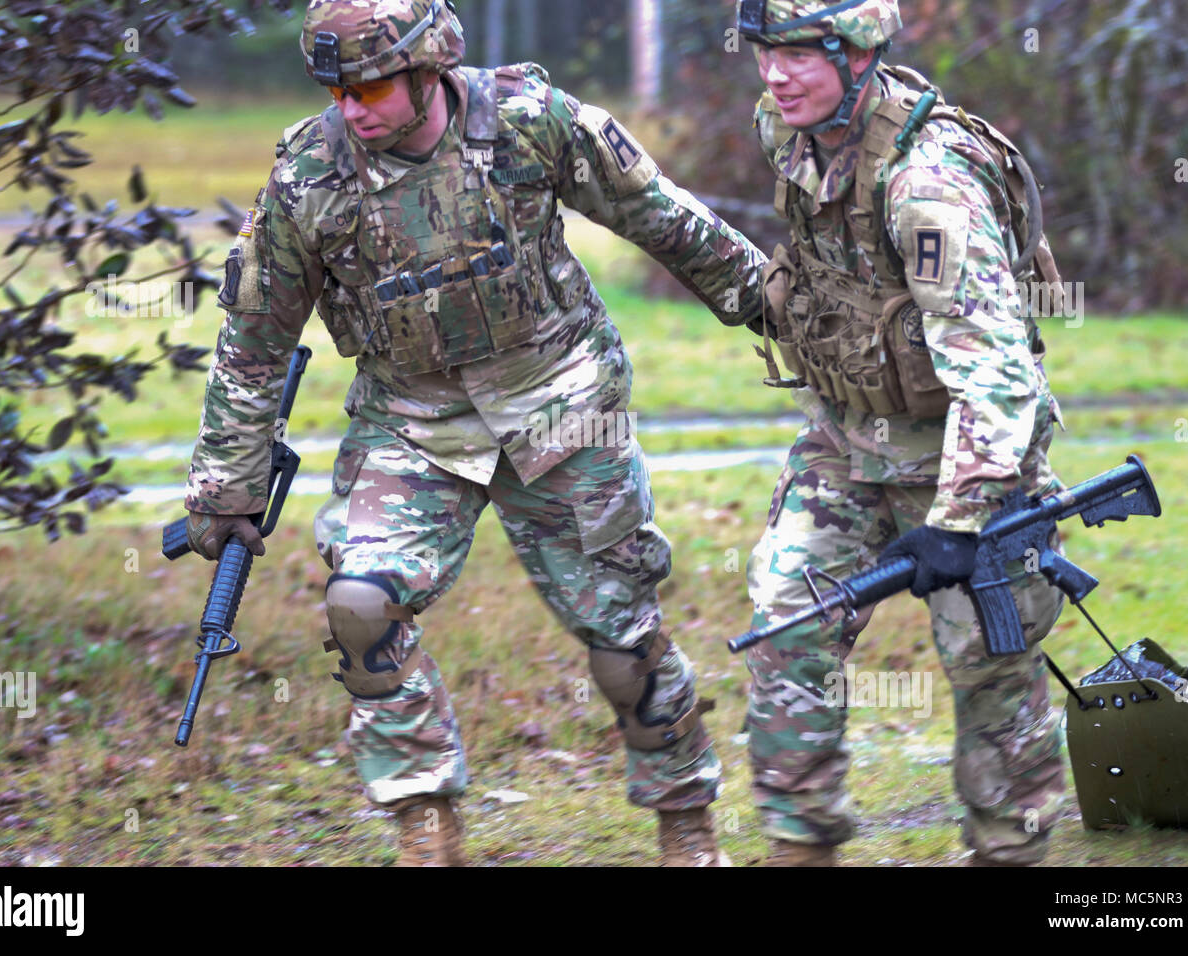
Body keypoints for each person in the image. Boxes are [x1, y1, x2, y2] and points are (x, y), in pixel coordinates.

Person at [181, 0, 765, 866]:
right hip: (412, 424)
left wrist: (777, 306)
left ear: (431, 67)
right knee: (361, 605)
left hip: (561, 403)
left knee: (620, 636)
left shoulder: (532, 123)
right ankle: (425, 818)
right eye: (334, 89)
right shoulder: (310, 174)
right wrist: (227, 484)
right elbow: (258, 332)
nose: (351, 108)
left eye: (372, 85)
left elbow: (664, 218)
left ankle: (683, 816)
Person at [733, 0, 1069, 866]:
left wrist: (957, 524)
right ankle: (799, 844)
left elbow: (998, 381)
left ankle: (1010, 847)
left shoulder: (929, 184)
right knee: (785, 617)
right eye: (765, 52)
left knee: (988, 658)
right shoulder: (787, 129)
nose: (775, 74)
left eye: (801, 56)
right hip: (847, 442)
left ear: (857, 54)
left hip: (966, 455)